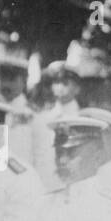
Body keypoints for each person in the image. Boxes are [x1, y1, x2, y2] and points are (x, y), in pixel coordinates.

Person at [32, 61, 83, 190]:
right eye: (56, 82)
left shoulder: (83, 120)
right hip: (41, 184)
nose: (59, 87)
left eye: (65, 83)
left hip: (71, 187)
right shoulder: (41, 118)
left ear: (77, 88)